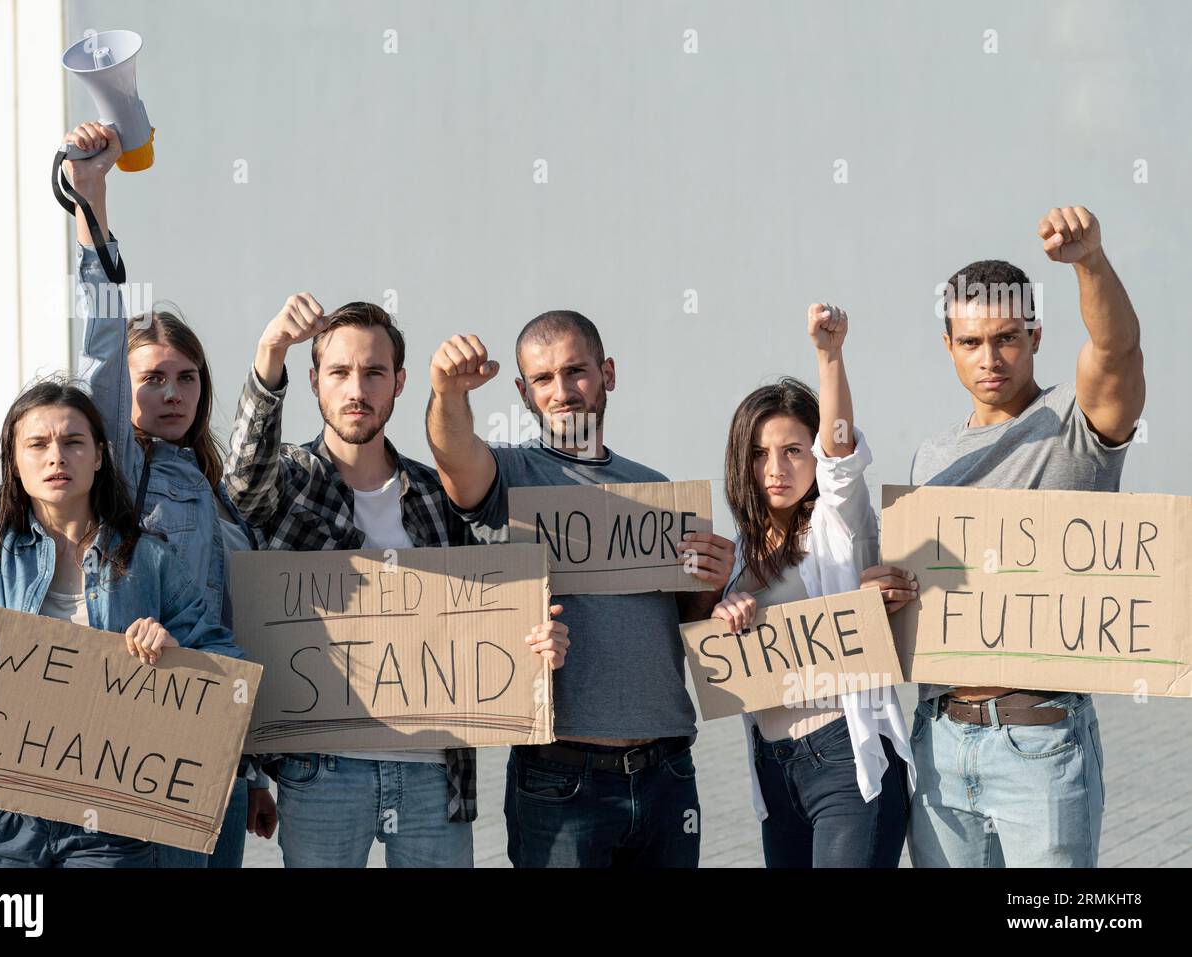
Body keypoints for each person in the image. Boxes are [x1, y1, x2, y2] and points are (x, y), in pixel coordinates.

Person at [0, 204, 246, 867]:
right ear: (16, 461)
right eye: (37, 444)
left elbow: (221, 654)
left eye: (71, 440)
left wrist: (173, 648)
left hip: (111, 819)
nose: (55, 454)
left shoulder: (145, 558)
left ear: (99, 454)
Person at [224, 293, 569, 867]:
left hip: (434, 773)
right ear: (313, 382)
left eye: (373, 373)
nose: (356, 389)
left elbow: (493, 602)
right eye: (339, 372)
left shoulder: (437, 494)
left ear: (399, 383)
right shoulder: (288, 482)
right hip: (322, 769)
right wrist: (270, 352)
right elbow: (241, 484)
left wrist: (536, 642)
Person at [860, 205, 1144, 867]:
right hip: (940, 742)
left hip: (1040, 743)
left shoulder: (1074, 426)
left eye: (1008, 337)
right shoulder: (932, 457)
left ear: (1036, 335)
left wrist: (1090, 262)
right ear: (949, 346)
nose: (991, 358)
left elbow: (1118, 351)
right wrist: (886, 592)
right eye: (971, 341)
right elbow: (919, 596)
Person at [424, 312, 736, 867]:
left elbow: (688, 622)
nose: (562, 391)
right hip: (559, 777)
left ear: (608, 373)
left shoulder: (658, 493)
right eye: (543, 379)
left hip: (667, 770)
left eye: (576, 371)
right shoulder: (509, 478)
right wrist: (447, 392)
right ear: (522, 391)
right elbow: (452, 456)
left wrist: (711, 585)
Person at [60, 121, 276, 867]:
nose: (173, 392)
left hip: (216, 753)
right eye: (152, 377)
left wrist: (250, 767)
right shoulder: (115, 465)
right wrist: (94, 199)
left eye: (186, 376)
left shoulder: (217, 491)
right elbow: (97, 346)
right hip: (139, 743)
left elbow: (224, 624)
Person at [708, 303, 913, 867]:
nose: (776, 467)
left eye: (793, 451)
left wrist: (830, 356)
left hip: (845, 758)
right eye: (759, 454)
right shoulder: (742, 553)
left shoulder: (837, 526)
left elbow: (841, 459)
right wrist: (727, 616)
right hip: (775, 771)